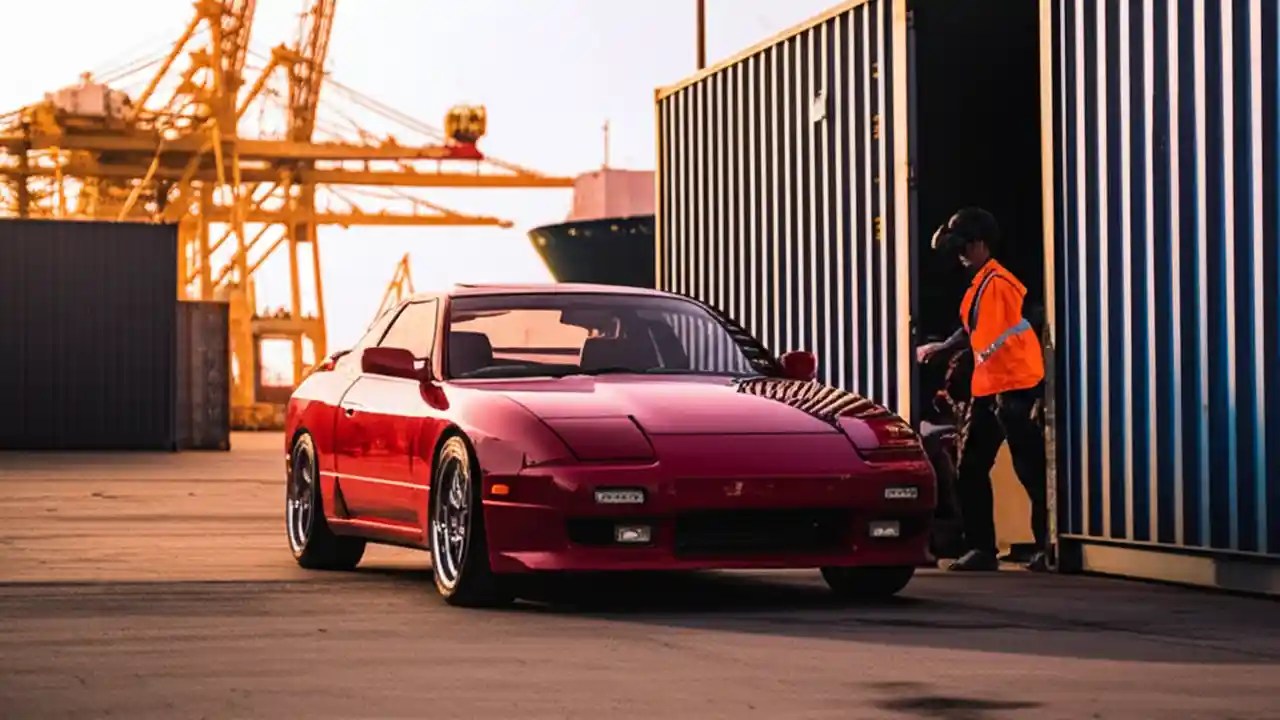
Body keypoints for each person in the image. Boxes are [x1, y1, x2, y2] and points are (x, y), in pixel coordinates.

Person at [916, 207, 1048, 572]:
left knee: (1030, 470)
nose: (959, 255)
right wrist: (943, 348)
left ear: (981, 245)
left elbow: (1007, 333)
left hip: (1015, 389)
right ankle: (981, 549)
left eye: (963, 247)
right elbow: (976, 334)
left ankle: (1046, 547)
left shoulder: (1001, 284)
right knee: (970, 468)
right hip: (991, 389)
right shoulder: (982, 284)